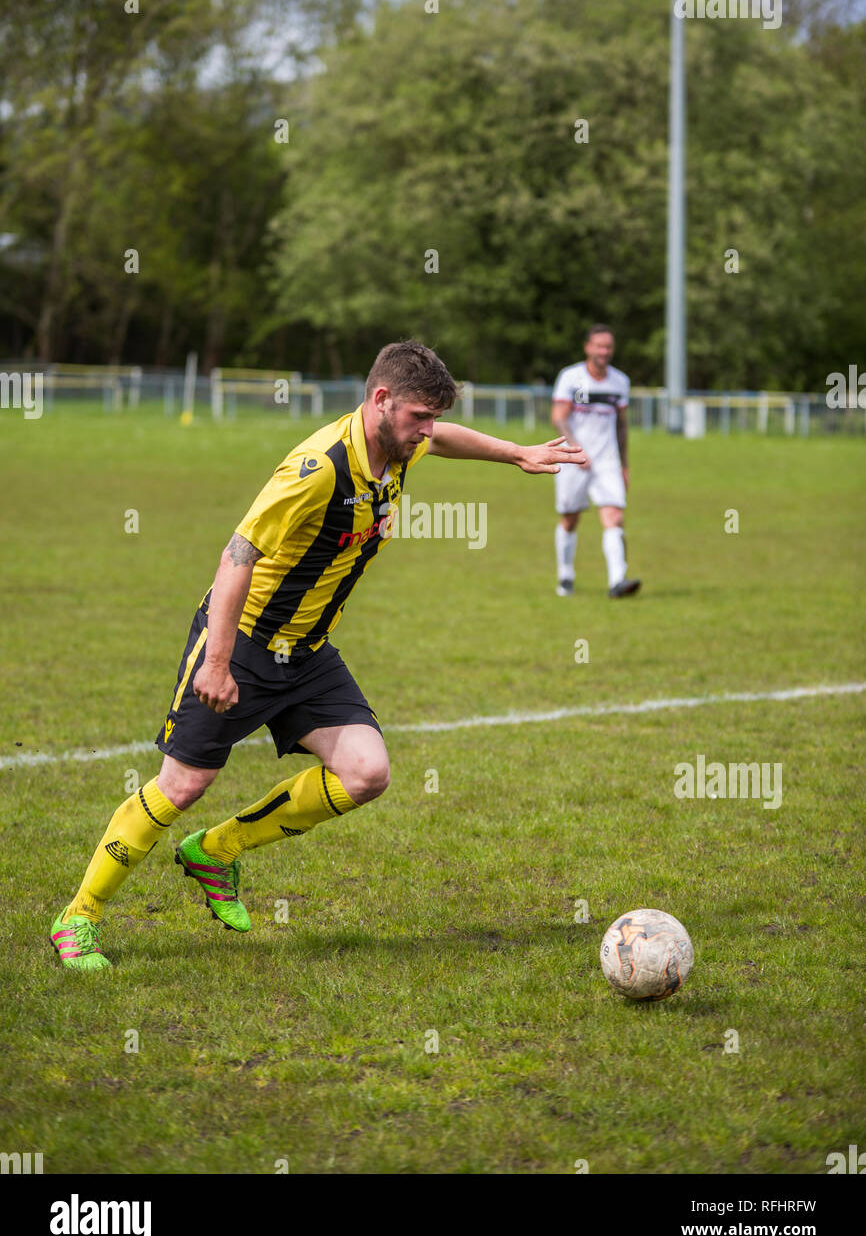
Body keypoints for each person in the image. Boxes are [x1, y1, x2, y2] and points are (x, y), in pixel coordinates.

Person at [51, 340, 590, 969]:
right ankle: (77, 918)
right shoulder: (317, 469)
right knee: (183, 784)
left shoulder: (401, 445)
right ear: (380, 400)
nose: (427, 432)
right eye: (419, 416)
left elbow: (446, 439)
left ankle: (215, 852)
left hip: (306, 654)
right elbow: (235, 561)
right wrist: (217, 664)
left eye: (432, 419)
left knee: (366, 773)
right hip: (246, 641)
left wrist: (516, 453)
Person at [550, 324, 641, 599]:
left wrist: (624, 464)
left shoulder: (620, 382)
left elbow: (622, 426)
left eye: (608, 347)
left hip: (607, 460)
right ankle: (565, 575)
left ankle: (617, 581)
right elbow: (558, 416)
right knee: (570, 518)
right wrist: (576, 447)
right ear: (588, 347)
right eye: (599, 346)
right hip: (572, 458)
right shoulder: (570, 377)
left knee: (614, 516)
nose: (604, 351)